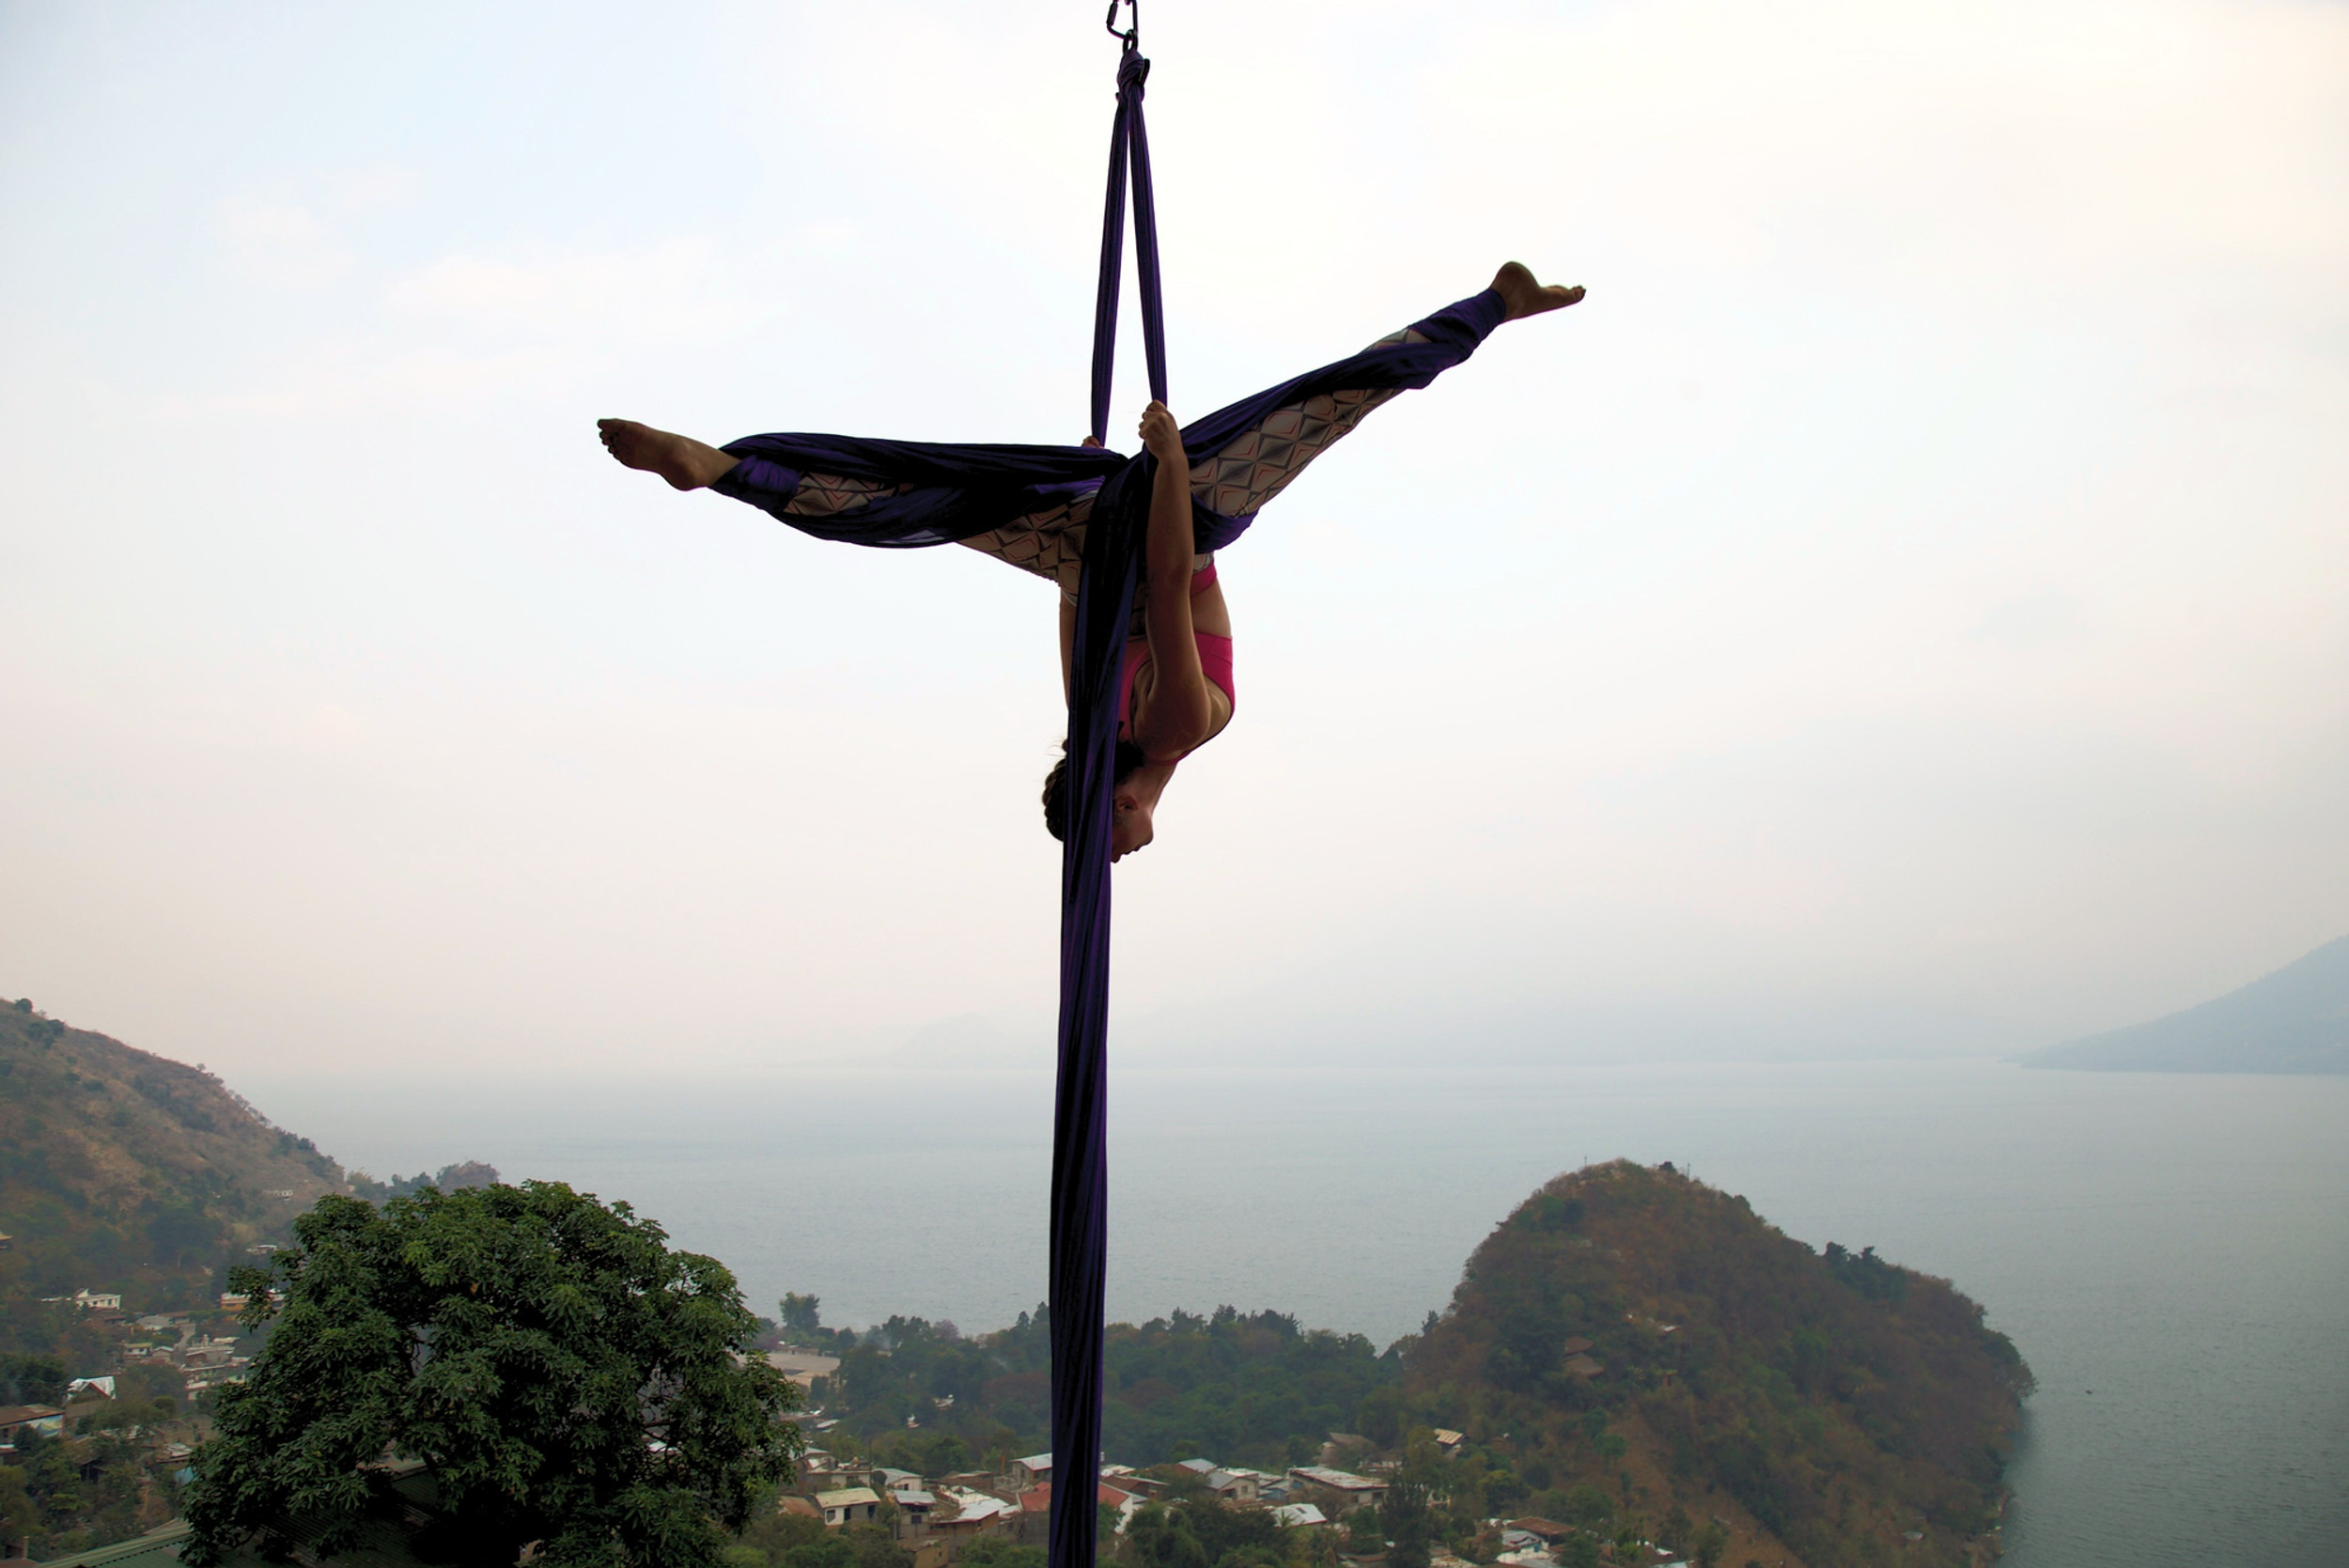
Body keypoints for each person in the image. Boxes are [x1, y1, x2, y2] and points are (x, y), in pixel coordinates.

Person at [599, 262, 1583, 860]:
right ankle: (726, 472)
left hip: (1180, 513)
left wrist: (1156, 469)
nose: (1118, 857)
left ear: (1113, 808)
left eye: (1106, 848)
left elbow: (1163, 581)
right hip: (1085, 545)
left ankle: (1497, 300)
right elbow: (1078, 607)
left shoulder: (1174, 728)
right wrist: (1077, 508)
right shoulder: (1086, 718)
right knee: (925, 501)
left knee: (1338, 398)